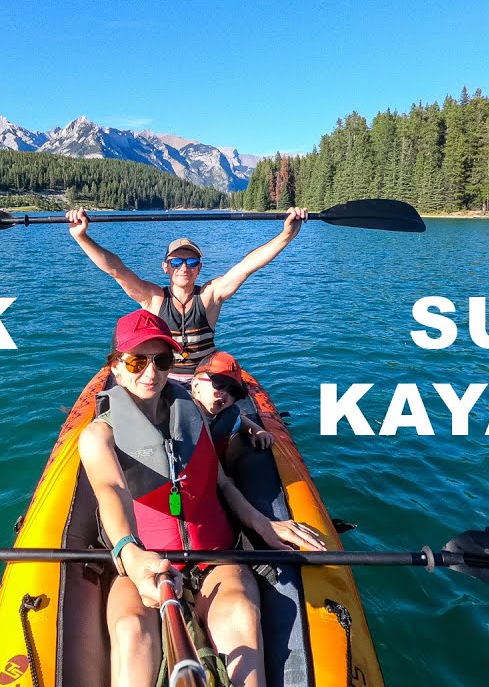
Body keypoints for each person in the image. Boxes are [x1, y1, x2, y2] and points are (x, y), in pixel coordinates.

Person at [79, 309, 325, 687]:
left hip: (215, 557)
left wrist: (264, 523)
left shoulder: (190, 412)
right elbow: (110, 489)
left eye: (161, 361)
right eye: (136, 361)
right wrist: (130, 553)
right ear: (114, 366)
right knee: (130, 629)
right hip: (146, 560)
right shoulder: (99, 436)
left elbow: (221, 483)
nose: (150, 372)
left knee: (241, 614)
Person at [66, 206, 309, 381]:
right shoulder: (152, 298)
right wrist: (82, 237)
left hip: (202, 380)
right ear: (165, 267)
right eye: (176, 262)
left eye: (192, 262)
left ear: (199, 268)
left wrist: (287, 234)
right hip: (163, 380)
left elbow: (247, 266)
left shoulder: (210, 296)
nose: (184, 268)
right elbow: (116, 270)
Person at [190, 351, 274, 468]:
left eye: (233, 391)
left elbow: (239, 422)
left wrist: (257, 430)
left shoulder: (224, 418)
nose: (225, 393)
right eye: (219, 384)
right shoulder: (178, 414)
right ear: (196, 386)